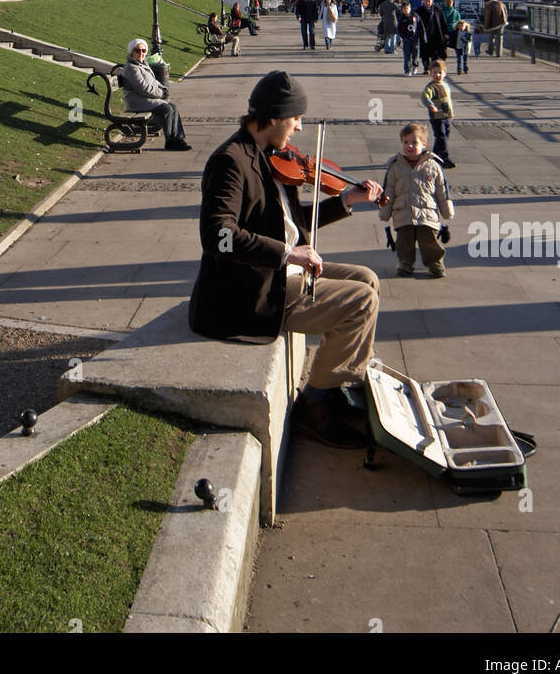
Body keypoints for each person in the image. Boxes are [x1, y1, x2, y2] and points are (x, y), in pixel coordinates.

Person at [189, 71, 384, 449]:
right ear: (275, 117)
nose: (299, 127)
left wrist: (346, 201)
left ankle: (338, 380)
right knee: (361, 302)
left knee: (366, 278)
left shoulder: (272, 156)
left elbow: (294, 222)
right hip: (247, 291)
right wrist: (286, 253)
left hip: (280, 271)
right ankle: (315, 404)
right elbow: (216, 236)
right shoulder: (230, 161)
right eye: (295, 118)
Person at [379, 122, 454, 278]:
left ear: (424, 144)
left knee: (430, 242)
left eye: (414, 142)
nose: (410, 146)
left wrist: (446, 211)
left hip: (427, 213)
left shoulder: (433, 166)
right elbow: (389, 191)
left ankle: (435, 263)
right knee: (404, 243)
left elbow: (442, 190)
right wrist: (385, 211)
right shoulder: (395, 167)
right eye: (406, 142)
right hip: (403, 213)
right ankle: (405, 264)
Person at [122, 38, 190, 150]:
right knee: (166, 108)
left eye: (143, 51)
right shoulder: (131, 67)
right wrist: (161, 93)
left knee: (173, 106)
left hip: (144, 98)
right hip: (135, 101)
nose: (141, 53)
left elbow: (154, 81)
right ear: (131, 52)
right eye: (137, 51)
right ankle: (170, 141)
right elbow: (143, 88)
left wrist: (162, 89)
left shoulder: (143, 64)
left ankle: (178, 139)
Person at [421, 59, 455, 168]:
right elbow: (425, 96)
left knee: (445, 135)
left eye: (440, 72)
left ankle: (434, 155)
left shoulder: (445, 86)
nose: (437, 75)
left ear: (445, 73)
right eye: (434, 72)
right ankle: (445, 157)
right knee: (441, 135)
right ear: (431, 73)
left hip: (446, 115)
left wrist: (451, 113)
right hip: (436, 116)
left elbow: (448, 100)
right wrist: (430, 105)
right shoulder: (431, 87)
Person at [416, 0, 448, 71]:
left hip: (435, 34)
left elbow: (443, 22)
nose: (428, 2)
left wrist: (446, 33)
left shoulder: (437, 9)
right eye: (426, 1)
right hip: (424, 35)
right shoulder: (419, 11)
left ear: (432, 1)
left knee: (435, 53)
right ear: (423, 1)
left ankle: (433, 68)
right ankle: (426, 67)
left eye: (429, 1)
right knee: (425, 53)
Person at [398, 2, 423, 76]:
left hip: (415, 38)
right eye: (404, 9)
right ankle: (407, 70)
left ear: (410, 8)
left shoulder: (415, 16)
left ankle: (414, 66)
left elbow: (420, 26)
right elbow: (399, 28)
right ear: (402, 10)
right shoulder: (401, 18)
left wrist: (422, 36)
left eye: (407, 8)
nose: (406, 10)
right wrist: (402, 36)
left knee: (416, 53)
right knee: (407, 55)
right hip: (406, 39)